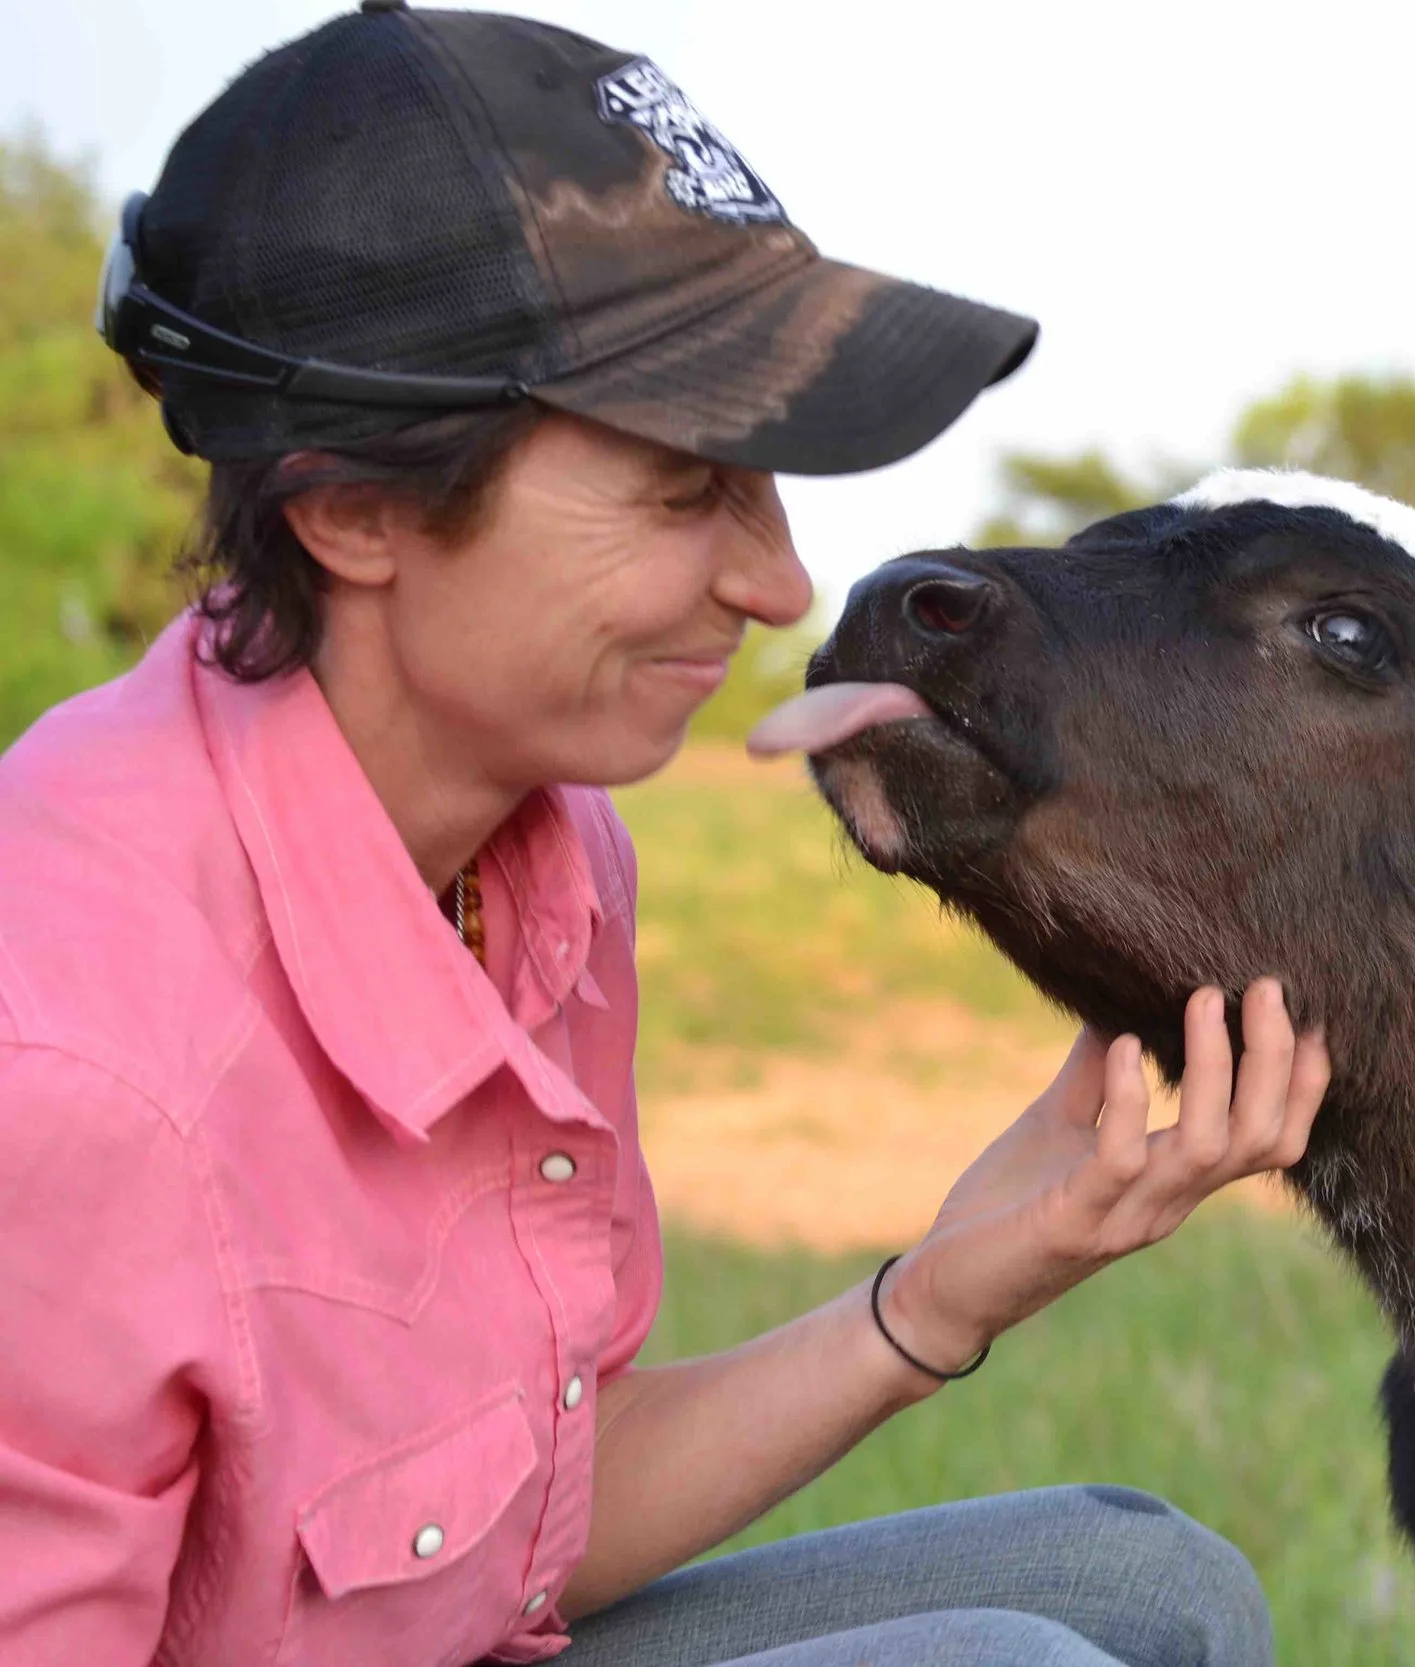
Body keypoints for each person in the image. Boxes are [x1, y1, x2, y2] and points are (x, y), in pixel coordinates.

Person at [0, 6, 1330, 1665]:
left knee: (1156, 1588)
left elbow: (505, 1542)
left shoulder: (543, 856)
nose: (777, 584)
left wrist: (945, 1287)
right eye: (680, 489)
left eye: (763, 487)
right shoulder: (69, 1070)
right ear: (352, 510)